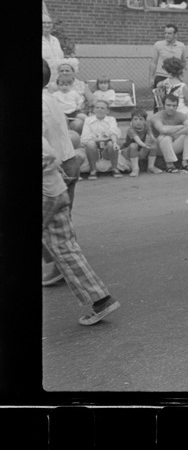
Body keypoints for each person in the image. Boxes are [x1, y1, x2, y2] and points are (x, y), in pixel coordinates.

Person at [43, 135, 121, 326]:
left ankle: (102, 301)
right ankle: (101, 300)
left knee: (64, 249)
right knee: (65, 248)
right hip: (55, 189)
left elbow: (47, 156)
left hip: (48, 193)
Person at [42, 58, 81, 286]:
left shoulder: (45, 102)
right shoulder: (51, 98)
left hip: (56, 166)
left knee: (57, 224)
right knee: (61, 222)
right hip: (66, 162)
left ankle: (62, 265)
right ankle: (63, 264)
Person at [151, 93, 188, 173]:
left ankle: (185, 162)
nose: (171, 108)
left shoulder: (180, 115)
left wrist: (175, 133)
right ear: (163, 105)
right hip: (159, 148)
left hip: (174, 145)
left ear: (177, 106)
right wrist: (180, 127)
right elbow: (163, 130)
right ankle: (169, 164)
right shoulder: (156, 116)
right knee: (165, 137)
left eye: (174, 105)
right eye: (168, 105)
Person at [80, 99, 123, 179]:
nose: (99, 109)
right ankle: (93, 170)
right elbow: (84, 138)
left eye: (102, 108)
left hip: (106, 149)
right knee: (90, 144)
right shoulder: (88, 120)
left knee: (112, 144)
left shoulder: (111, 119)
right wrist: (103, 139)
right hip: (94, 149)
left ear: (107, 111)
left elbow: (113, 133)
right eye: (97, 107)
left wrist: (113, 141)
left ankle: (115, 168)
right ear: (94, 109)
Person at [122, 108, 159, 176]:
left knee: (153, 145)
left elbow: (151, 136)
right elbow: (137, 140)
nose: (138, 121)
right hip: (128, 153)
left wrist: (153, 141)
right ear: (132, 121)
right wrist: (145, 146)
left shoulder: (146, 126)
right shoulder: (131, 130)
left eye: (141, 119)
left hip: (140, 152)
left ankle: (151, 167)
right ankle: (135, 169)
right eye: (135, 119)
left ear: (145, 121)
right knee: (134, 145)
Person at [150, 24, 186, 89]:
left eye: (169, 33)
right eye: (165, 33)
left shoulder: (181, 46)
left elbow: (183, 61)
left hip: (175, 77)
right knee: (160, 98)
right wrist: (151, 78)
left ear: (175, 34)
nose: (166, 35)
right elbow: (153, 63)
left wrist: (179, 74)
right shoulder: (158, 45)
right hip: (161, 76)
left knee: (176, 97)